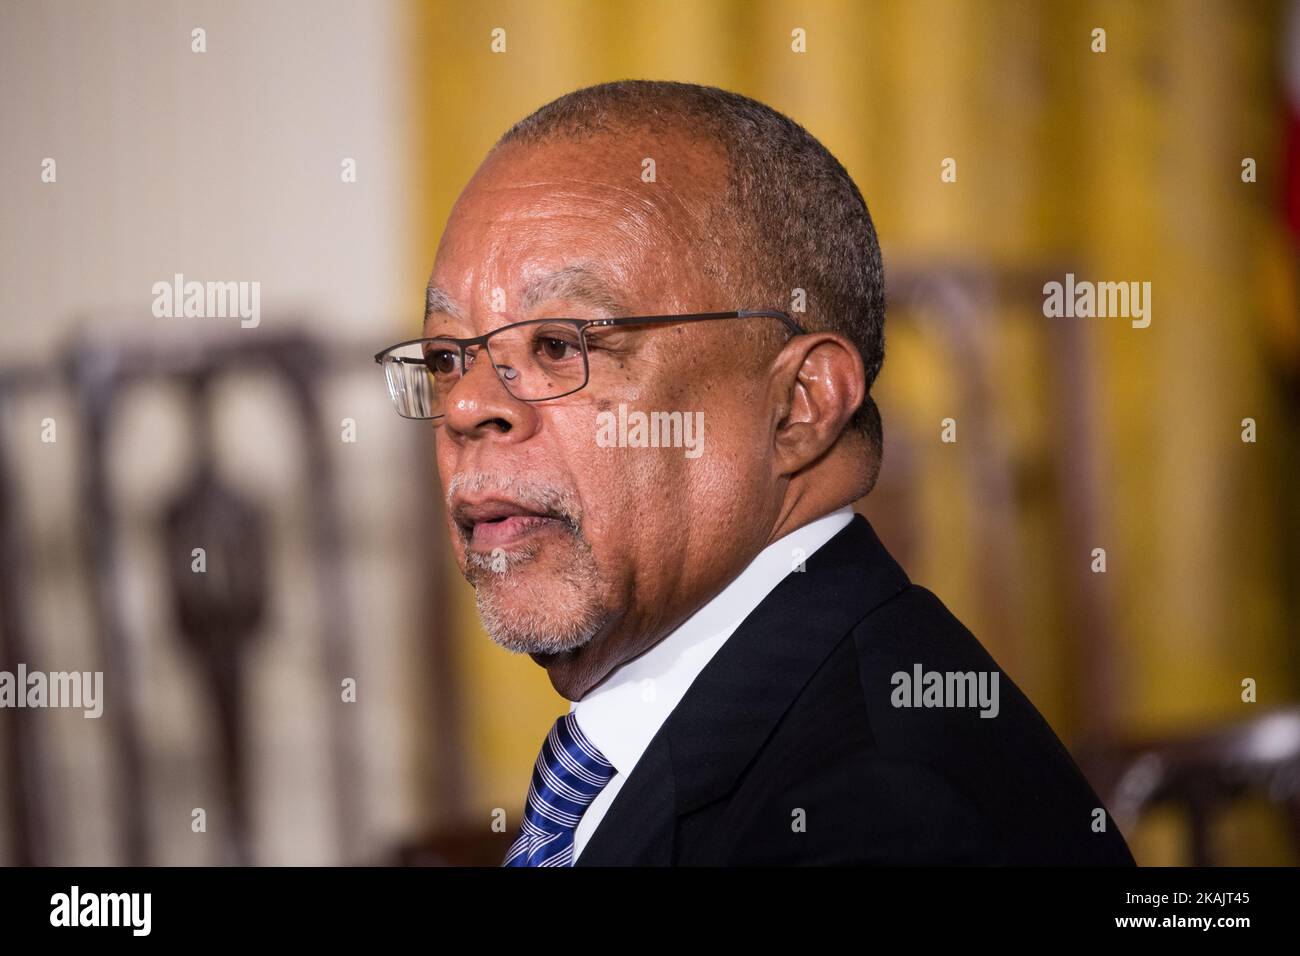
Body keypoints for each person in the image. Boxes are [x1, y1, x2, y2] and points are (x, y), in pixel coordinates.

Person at [374, 80, 1135, 866]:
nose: (466, 407)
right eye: (445, 357)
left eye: (560, 346)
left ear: (799, 405)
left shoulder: (875, 820)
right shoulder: (712, 731)